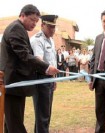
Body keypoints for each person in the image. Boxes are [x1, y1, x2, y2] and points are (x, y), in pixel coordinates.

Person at [0, 4, 59, 133]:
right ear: (22, 15)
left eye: (36, 21)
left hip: (15, 83)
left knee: (11, 123)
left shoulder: (20, 29)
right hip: (12, 83)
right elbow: (24, 55)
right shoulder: (16, 28)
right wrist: (47, 67)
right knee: (15, 124)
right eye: (32, 19)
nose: (34, 24)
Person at [30, 14, 58, 133]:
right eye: (50, 27)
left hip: (49, 79)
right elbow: (38, 60)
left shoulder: (51, 39)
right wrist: (50, 74)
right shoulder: (37, 39)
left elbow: (53, 60)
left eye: (54, 27)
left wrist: (54, 78)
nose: (53, 29)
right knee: (43, 115)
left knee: (45, 114)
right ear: (42, 25)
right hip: (41, 79)